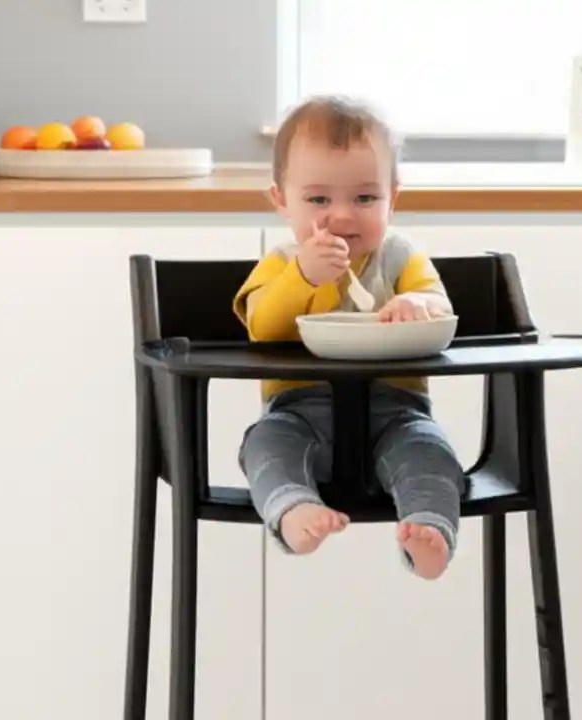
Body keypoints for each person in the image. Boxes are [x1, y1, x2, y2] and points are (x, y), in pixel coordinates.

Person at [231, 95, 464, 580]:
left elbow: (441, 309)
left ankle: (430, 530)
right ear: (281, 200)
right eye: (318, 200)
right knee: (264, 445)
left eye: (364, 198)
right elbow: (262, 325)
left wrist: (418, 306)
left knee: (431, 451)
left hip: (395, 410)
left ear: (392, 198)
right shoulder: (280, 262)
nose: (342, 216)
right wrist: (304, 277)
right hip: (298, 411)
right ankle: (292, 508)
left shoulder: (400, 259)